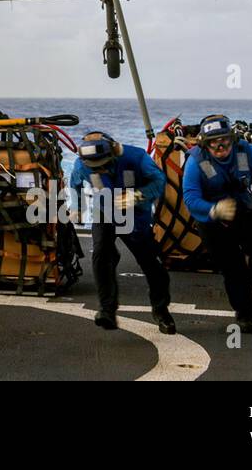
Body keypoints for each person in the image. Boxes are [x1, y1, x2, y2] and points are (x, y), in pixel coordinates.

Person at [182, 114, 252, 333]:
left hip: (242, 209)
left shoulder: (246, 152)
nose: (220, 145)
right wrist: (213, 209)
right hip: (212, 220)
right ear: (205, 144)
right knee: (234, 270)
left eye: (224, 139)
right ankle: (244, 315)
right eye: (213, 142)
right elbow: (190, 199)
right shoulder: (196, 163)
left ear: (232, 139)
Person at [69, 131, 175, 334]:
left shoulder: (136, 157)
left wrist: (139, 195)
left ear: (114, 152)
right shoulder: (81, 165)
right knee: (101, 254)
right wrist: (77, 206)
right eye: (95, 167)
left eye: (103, 164)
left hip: (136, 214)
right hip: (105, 211)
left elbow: (159, 181)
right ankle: (107, 310)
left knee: (151, 263)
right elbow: (74, 184)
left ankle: (161, 310)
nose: (100, 170)